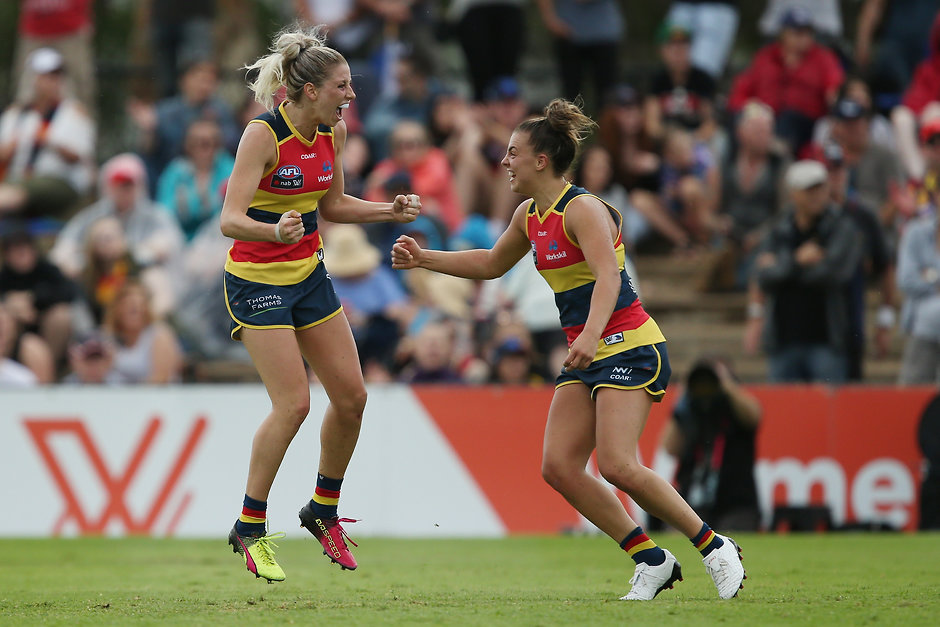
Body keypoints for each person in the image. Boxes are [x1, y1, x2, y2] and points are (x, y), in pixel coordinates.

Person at [392, 99, 746, 601]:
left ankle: (714, 547)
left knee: (619, 465)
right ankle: (651, 560)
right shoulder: (527, 215)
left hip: (628, 344)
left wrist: (588, 335)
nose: (505, 162)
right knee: (558, 466)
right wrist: (425, 257)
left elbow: (609, 275)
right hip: (589, 350)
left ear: (541, 160)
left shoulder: (581, 207)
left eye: (513, 153)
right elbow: (493, 263)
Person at [219, 25, 421, 583]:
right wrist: (273, 232)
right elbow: (229, 219)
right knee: (293, 404)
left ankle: (321, 510)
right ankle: (249, 525)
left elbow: (331, 205)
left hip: (308, 276)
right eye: (342, 86)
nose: (350, 96)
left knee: (352, 397)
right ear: (309, 90)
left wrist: (389, 211)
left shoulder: (332, 134)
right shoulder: (262, 135)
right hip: (257, 281)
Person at [751, 160, 862, 383]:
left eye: (820, 188)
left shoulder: (842, 227)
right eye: (808, 190)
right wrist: (797, 260)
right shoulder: (778, 229)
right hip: (784, 340)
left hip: (827, 340)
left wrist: (782, 267)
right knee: (783, 411)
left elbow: (833, 273)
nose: (816, 196)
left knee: (828, 412)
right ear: (794, 194)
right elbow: (763, 276)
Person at [660, 357, 762, 531]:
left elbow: (754, 416)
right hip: (692, 499)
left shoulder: (735, 408)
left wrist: (726, 385)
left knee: (735, 542)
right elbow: (670, 447)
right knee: (677, 538)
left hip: (736, 503)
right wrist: (684, 395)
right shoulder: (690, 410)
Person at [727, 6, 844, 155]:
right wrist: (748, 109)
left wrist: (834, 99)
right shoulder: (766, 56)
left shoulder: (823, 58)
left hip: (804, 122)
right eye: (798, 33)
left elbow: (835, 89)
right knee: (740, 119)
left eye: (808, 33)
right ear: (783, 34)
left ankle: (776, 155)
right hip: (766, 118)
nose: (803, 38)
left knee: (788, 118)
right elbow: (741, 91)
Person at [0, 47, 95, 219]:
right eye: (45, 76)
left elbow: (79, 157)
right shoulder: (15, 114)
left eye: (56, 76)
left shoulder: (74, 113)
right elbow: (4, 155)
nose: (52, 82)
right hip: (19, 179)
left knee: (15, 193)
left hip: (59, 182)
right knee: (13, 191)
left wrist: (49, 140)